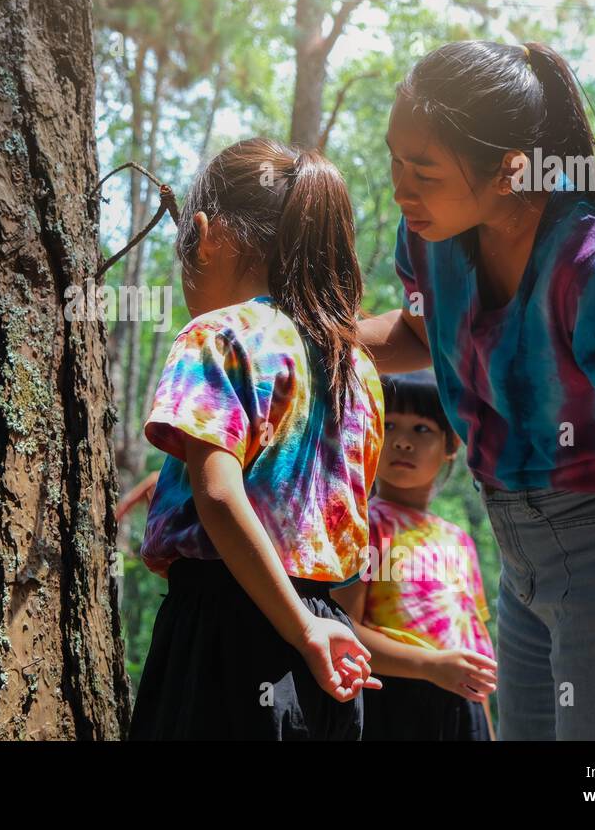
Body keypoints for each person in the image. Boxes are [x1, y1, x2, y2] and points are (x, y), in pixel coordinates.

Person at [359, 40, 595, 740]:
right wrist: (318, 336)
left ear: (508, 170)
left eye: (424, 171)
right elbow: (421, 335)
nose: (401, 188)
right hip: (520, 555)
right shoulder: (434, 237)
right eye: (394, 160)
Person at [121, 137, 385, 739]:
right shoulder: (356, 368)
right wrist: (309, 627)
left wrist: (299, 627)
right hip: (324, 642)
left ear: (207, 235)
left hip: (226, 628)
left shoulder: (218, 335)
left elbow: (218, 496)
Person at [331, 369, 497, 740]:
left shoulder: (458, 540)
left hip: (463, 706)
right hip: (390, 701)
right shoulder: (362, 525)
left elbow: (472, 645)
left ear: (451, 445)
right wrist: (428, 665)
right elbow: (343, 631)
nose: (403, 442)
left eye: (422, 429)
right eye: (388, 426)